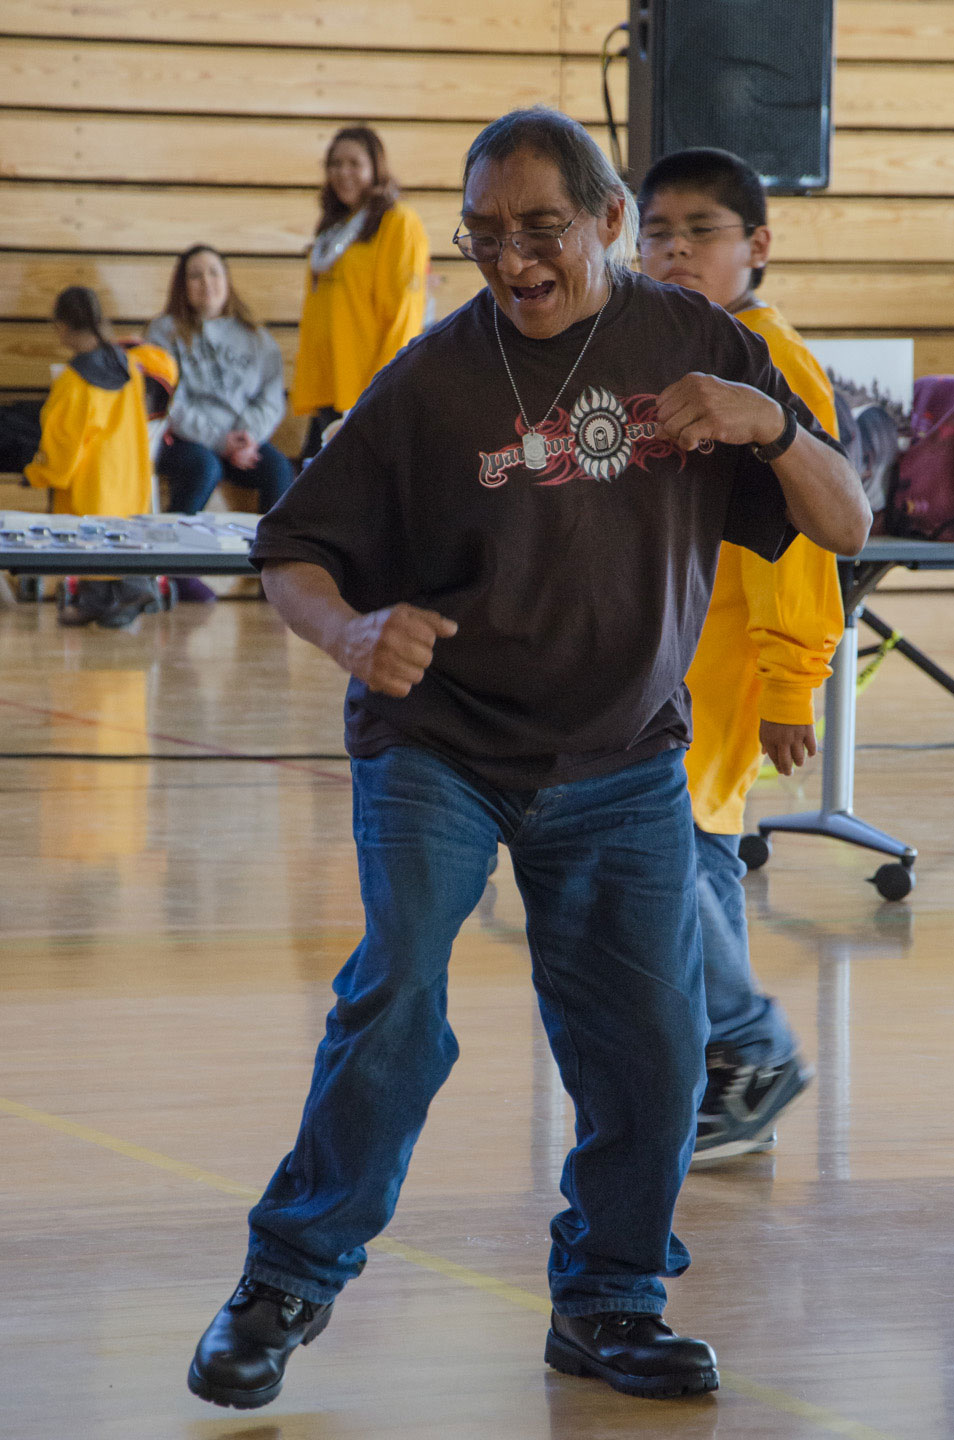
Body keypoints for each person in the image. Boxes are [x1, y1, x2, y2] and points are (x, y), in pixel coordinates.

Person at [187, 108, 870, 1412]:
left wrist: (767, 430)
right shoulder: (433, 380)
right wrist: (351, 628)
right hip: (438, 742)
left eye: (540, 229)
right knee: (394, 997)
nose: (512, 260)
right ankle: (284, 1281)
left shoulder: (702, 348)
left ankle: (608, 1303)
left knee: (652, 1050)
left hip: (618, 756)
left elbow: (838, 521)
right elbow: (291, 550)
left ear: (605, 223)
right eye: (484, 235)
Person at [635, 149, 845, 1164]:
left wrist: (791, 681)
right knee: (699, 856)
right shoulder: (671, 347)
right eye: (658, 230)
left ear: (756, 246)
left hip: (723, 667)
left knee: (661, 852)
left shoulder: (770, 360)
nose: (675, 249)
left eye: (701, 231)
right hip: (670, 653)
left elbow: (806, 536)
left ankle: (754, 1047)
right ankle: (729, 1071)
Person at [23, 286, 168, 629]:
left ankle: (126, 592)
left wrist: (37, 473)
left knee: (88, 541)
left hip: (92, 480)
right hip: (128, 476)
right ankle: (109, 600)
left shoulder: (74, 382)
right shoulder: (130, 366)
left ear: (61, 327)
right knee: (117, 540)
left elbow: (62, 447)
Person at [289, 125, 429, 464]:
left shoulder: (399, 222)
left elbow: (404, 317)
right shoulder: (333, 227)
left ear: (376, 168)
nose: (343, 173)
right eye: (335, 164)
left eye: (354, 163)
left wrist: (379, 390)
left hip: (366, 390)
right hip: (330, 385)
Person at [147, 245, 294, 518]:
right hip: (183, 441)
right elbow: (168, 402)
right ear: (183, 285)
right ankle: (172, 554)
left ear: (227, 280)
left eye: (214, 273)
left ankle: (275, 555)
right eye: (195, 276)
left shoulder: (257, 338)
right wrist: (217, 440)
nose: (206, 282)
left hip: (243, 441)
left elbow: (271, 399)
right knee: (204, 467)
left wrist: (247, 438)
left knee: (279, 469)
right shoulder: (163, 333)